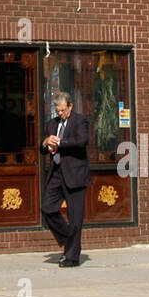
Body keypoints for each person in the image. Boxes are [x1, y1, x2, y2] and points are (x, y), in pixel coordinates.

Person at [41, 91, 89, 267]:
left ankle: (72, 257)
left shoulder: (79, 121)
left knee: (75, 218)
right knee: (47, 207)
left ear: (70, 107)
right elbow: (42, 148)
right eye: (57, 110)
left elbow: (81, 141)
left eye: (62, 110)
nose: (60, 113)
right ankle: (69, 236)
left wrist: (60, 143)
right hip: (56, 173)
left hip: (75, 175)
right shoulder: (51, 124)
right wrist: (47, 142)